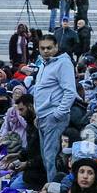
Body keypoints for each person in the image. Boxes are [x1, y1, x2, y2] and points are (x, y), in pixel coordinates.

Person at [32, 33, 76, 183]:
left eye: (49, 48)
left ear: (56, 47)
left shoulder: (63, 63)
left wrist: (58, 113)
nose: (45, 51)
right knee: (46, 157)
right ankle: (50, 189)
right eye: (42, 48)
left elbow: (70, 91)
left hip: (53, 116)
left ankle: (53, 191)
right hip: (43, 116)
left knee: (51, 157)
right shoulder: (43, 63)